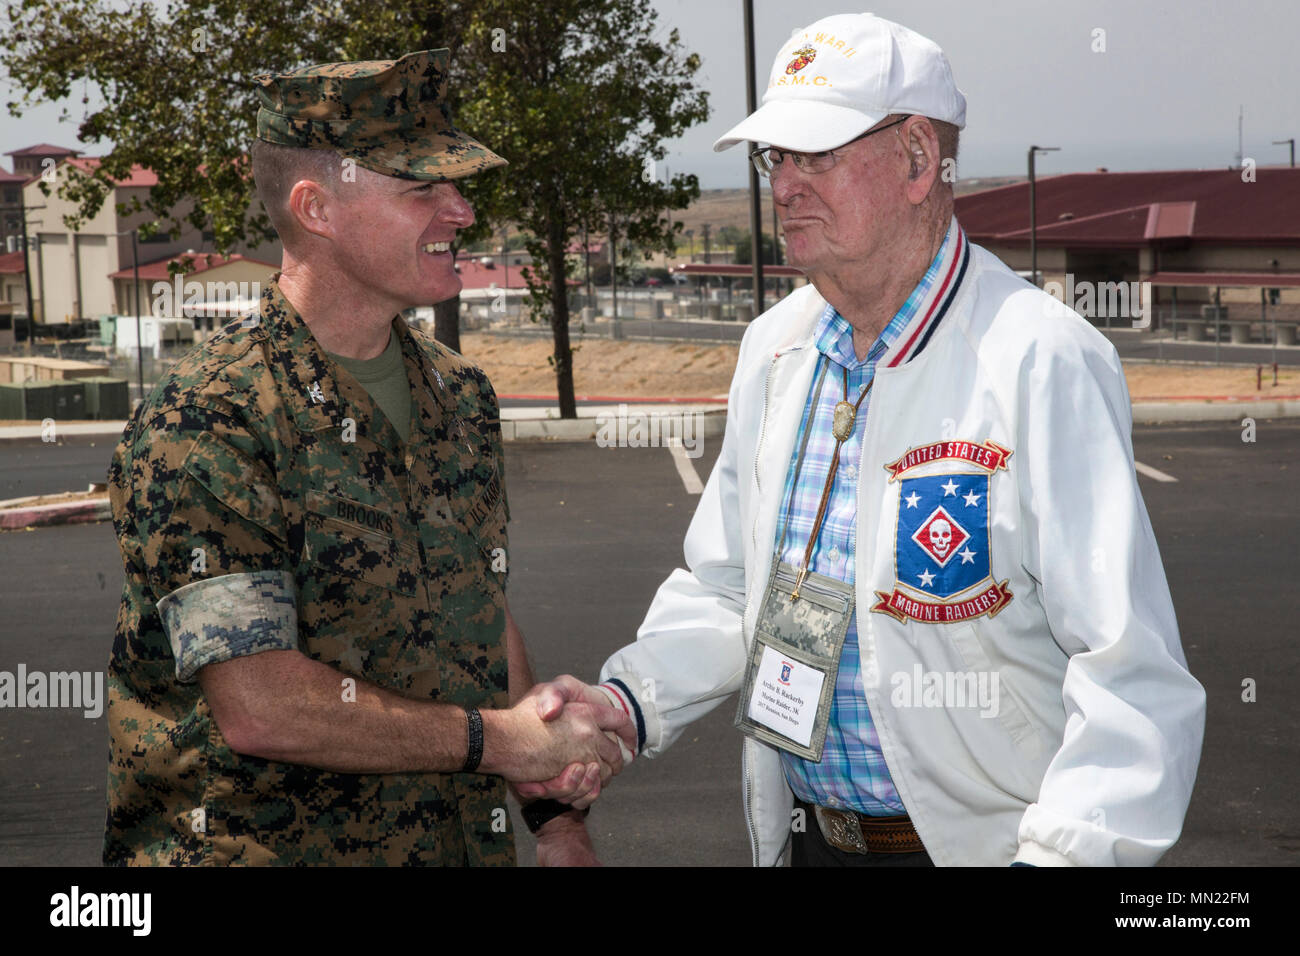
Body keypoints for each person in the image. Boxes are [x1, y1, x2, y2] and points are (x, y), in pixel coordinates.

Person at [519, 13, 1206, 866]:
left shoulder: (1041, 360)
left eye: (819, 154)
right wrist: (625, 702)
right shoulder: (775, 349)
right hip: (809, 844)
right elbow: (731, 591)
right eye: (778, 159)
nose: (787, 186)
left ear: (919, 158)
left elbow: (1130, 677)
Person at [104, 49, 630, 866]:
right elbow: (261, 704)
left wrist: (554, 817)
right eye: (423, 188)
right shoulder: (208, 416)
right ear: (316, 208)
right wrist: (504, 742)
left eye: (457, 186)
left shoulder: (459, 394)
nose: (460, 211)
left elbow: (476, 608)